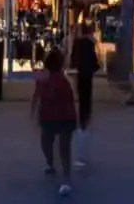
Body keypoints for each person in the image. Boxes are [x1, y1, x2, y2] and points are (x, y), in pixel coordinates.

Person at [32, 48, 77, 197]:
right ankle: (65, 179)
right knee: (64, 149)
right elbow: (70, 101)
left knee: (46, 141)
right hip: (65, 117)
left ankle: (50, 162)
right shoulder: (64, 81)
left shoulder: (43, 79)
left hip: (49, 116)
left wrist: (34, 113)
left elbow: (36, 97)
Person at [70, 24, 101, 168]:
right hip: (87, 73)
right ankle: (85, 117)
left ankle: (82, 117)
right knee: (86, 97)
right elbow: (94, 61)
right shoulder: (89, 43)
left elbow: (74, 58)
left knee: (81, 94)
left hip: (80, 72)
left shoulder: (77, 42)